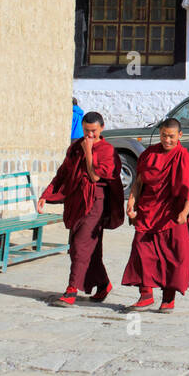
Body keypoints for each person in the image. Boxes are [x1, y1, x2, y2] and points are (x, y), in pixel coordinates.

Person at [39, 111, 122, 306]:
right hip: (76, 202)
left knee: (80, 246)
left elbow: (94, 177)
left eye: (93, 131)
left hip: (95, 203)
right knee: (86, 248)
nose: (89, 135)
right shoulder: (75, 147)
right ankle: (103, 284)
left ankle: (71, 290)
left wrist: (88, 151)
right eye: (86, 131)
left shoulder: (107, 150)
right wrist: (46, 194)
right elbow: (63, 173)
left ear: (101, 128)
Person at [123, 118, 189, 311]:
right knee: (141, 252)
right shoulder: (150, 155)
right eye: (164, 136)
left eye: (171, 137)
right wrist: (131, 201)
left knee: (174, 256)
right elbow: (139, 181)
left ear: (180, 136)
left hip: (172, 214)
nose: (167, 140)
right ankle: (145, 295)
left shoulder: (184, 158)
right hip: (149, 210)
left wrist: (185, 212)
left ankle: (168, 298)